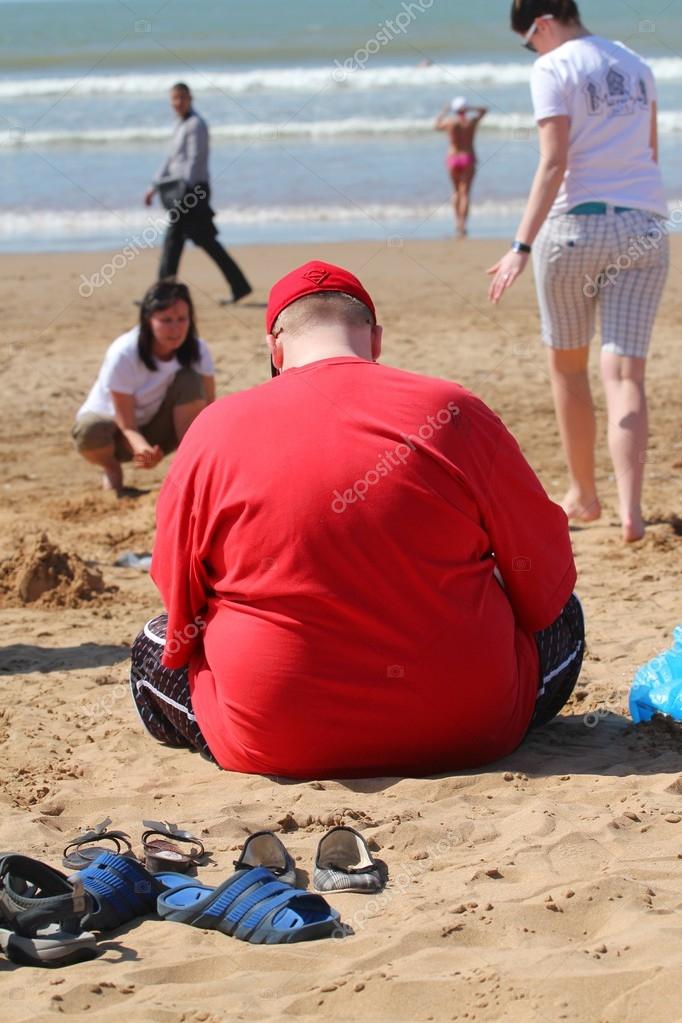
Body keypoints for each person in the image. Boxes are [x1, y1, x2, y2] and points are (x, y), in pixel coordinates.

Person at [129, 260, 584, 779]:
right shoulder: (454, 409)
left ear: (275, 350)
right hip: (470, 726)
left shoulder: (214, 429)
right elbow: (543, 569)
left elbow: (176, 588)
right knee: (565, 611)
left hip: (276, 737)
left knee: (153, 641)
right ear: (376, 340)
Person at [487, 1, 669, 542]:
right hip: (644, 225)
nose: (532, 50)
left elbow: (554, 161)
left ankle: (585, 495)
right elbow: (651, 153)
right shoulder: (637, 63)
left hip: (576, 228)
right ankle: (632, 513)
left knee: (569, 368)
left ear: (541, 24)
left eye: (528, 40)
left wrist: (520, 243)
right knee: (626, 376)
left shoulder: (552, 66)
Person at [72, 280, 215, 496]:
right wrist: (142, 450)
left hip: (161, 426)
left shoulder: (198, 350)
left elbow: (209, 410)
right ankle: (111, 469)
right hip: (114, 432)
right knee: (89, 429)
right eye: (166, 320)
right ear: (149, 320)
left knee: (190, 380)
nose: (175, 328)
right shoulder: (124, 353)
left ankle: (190, 470)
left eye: (182, 319)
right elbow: (126, 424)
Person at [144, 82, 252, 304]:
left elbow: (195, 160)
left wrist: (185, 191)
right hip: (180, 190)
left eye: (182, 98)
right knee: (183, 241)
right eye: (174, 98)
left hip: (193, 191)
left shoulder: (196, 125)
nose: (178, 102)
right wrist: (154, 186)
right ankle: (165, 294)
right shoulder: (178, 125)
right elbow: (170, 160)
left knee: (183, 240)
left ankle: (163, 295)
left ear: (190, 99)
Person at [435, 97, 488, 237]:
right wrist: (470, 108)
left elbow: (436, 125)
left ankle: (457, 222)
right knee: (465, 193)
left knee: (456, 191)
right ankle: (462, 225)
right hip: (467, 157)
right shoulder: (470, 122)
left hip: (452, 158)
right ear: (465, 109)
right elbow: (484, 110)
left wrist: (445, 110)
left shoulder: (450, 123)